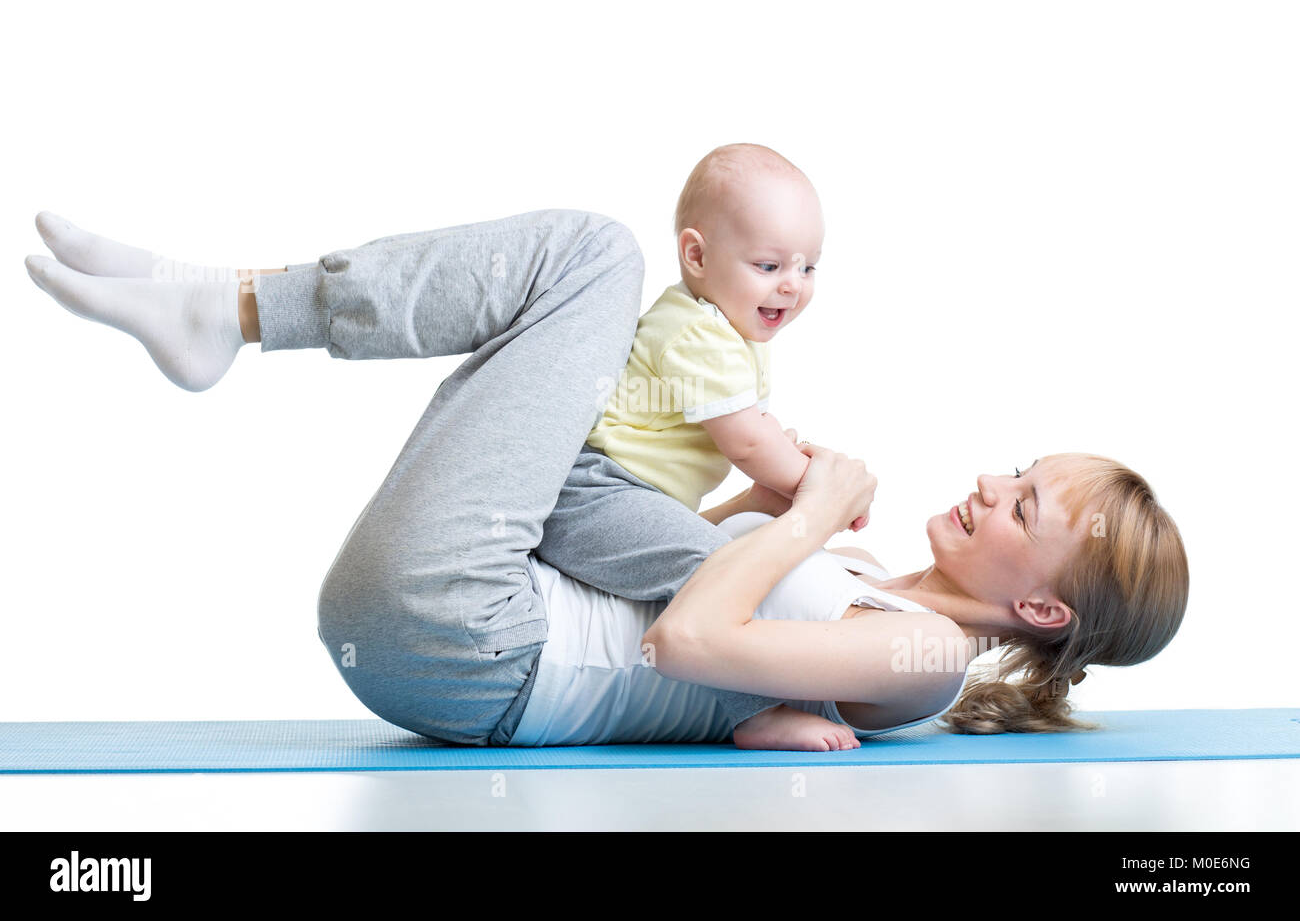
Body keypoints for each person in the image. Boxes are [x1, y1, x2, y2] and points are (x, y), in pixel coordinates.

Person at [24, 208, 1189, 750]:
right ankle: (222, 301)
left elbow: (688, 642)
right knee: (594, 334)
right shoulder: (877, 590)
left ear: (1041, 607)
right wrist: (765, 522)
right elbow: (667, 588)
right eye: (1022, 468)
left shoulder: (925, 659)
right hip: (458, 638)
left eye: (1024, 503)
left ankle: (229, 306)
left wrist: (807, 517)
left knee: (592, 256)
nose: (994, 479)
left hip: (478, 642)